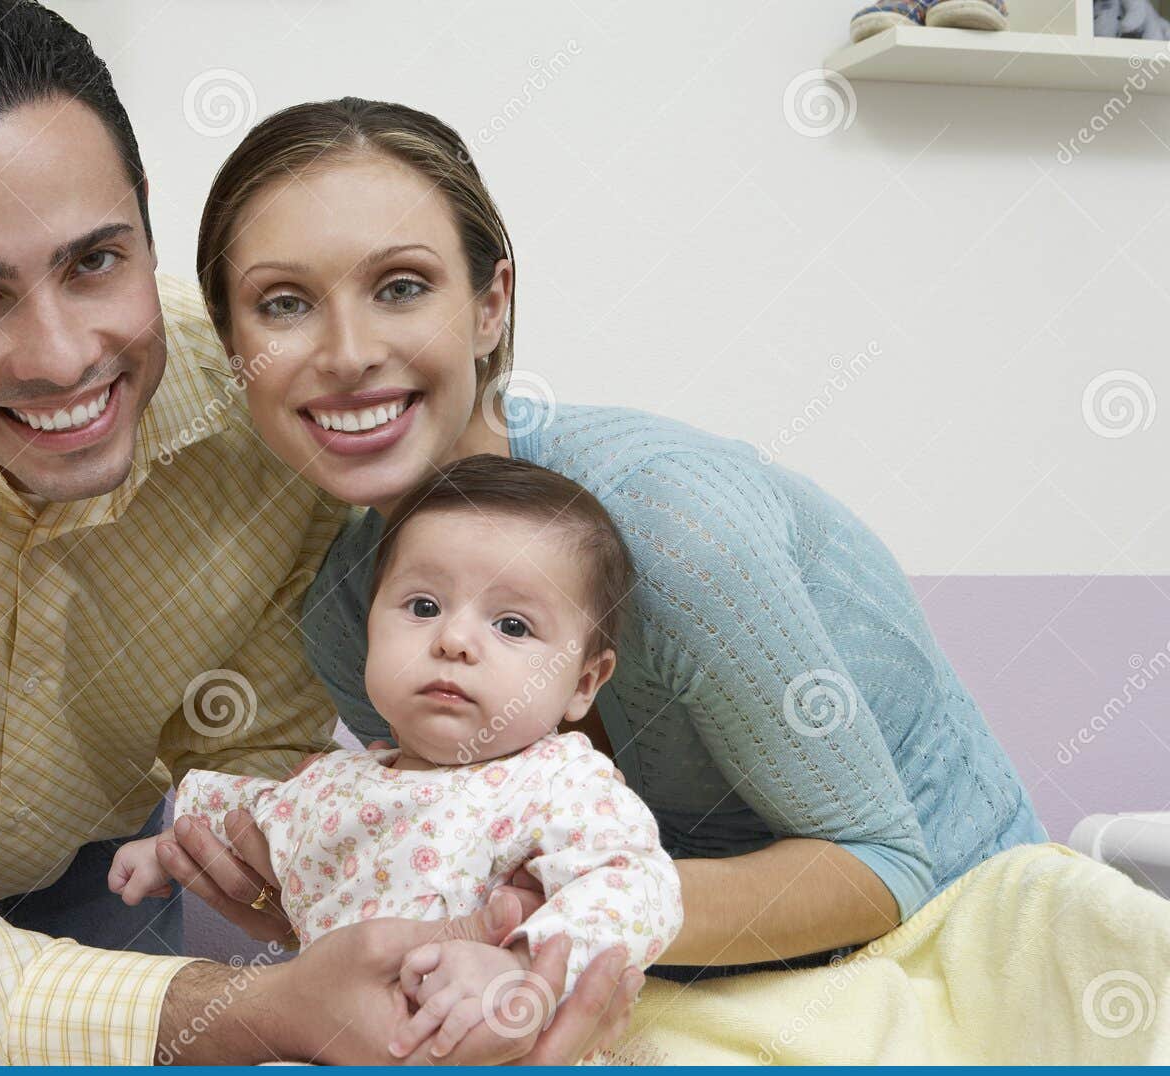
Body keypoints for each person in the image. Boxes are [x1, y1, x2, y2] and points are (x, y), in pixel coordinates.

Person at [0, 3, 637, 1065]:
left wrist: (448, 913)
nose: (63, 354)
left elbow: (269, 764)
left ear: (147, 225)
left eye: (93, 262)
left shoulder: (269, 412)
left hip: (95, 868)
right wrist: (257, 1008)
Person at [178, 96, 1049, 982]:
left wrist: (550, 923)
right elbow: (460, 861)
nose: (348, 352)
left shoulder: (677, 531)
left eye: (402, 286)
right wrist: (323, 891)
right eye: (283, 304)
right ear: (233, 344)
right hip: (669, 1003)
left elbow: (881, 868)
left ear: (490, 305)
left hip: (961, 965)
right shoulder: (346, 613)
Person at [111, 456, 684, 1059]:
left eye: (512, 624)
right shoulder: (330, 783)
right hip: (333, 1046)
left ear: (585, 683)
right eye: (423, 607)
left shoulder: (560, 782)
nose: (454, 640)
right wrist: (167, 846)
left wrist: (519, 963)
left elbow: (637, 884)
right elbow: (253, 813)